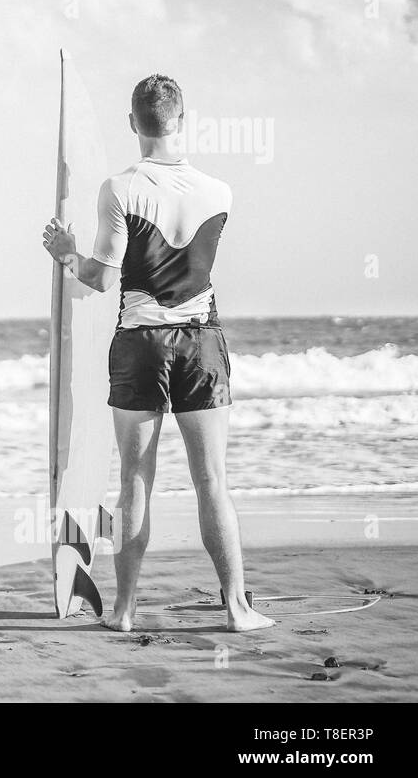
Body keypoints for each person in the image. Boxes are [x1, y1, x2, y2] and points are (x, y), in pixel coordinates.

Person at [41, 74, 272, 633]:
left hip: (140, 345)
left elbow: (101, 278)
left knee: (135, 480)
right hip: (200, 344)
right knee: (212, 480)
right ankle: (237, 609)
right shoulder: (220, 192)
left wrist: (66, 252)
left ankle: (123, 611)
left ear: (132, 123)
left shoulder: (118, 189)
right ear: (183, 119)